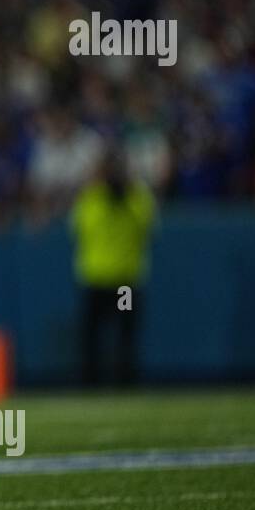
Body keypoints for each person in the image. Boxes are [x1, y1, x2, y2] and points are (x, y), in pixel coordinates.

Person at [69, 149, 156, 386]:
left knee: (124, 337)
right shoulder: (92, 197)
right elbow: (81, 227)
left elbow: (146, 225)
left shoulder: (136, 197)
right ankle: (90, 384)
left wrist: (124, 199)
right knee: (92, 339)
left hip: (124, 280)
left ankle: (125, 383)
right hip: (96, 278)